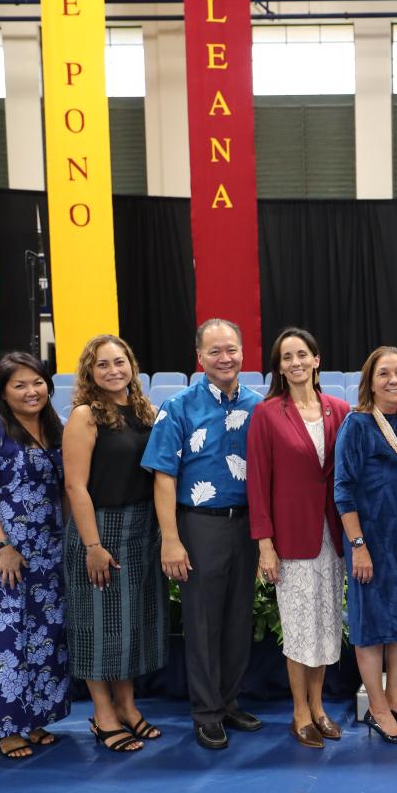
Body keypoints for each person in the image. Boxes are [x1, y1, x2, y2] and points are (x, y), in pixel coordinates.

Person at [141, 319, 264, 750]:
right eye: (215, 351)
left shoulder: (259, 406)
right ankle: (207, 712)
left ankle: (229, 701)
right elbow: (163, 477)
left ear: (243, 352)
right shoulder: (178, 407)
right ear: (199, 358)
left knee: (238, 618)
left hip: (247, 524)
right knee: (203, 621)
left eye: (231, 349)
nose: (224, 358)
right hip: (199, 523)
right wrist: (171, 538)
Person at [0, 352, 71, 759]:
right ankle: (5, 727)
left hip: (47, 549)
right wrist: (3, 548)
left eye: (37, 382)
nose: (31, 391)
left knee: (44, 634)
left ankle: (35, 717)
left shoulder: (55, 429)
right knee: (3, 638)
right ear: (3, 392)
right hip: (2, 552)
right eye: (19, 385)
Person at [62, 334, 168, 754]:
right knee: (97, 628)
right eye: (102, 364)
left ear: (131, 365)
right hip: (100, 530)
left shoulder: (145, 411)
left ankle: (127, 705)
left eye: (119, 362)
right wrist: (92, 545)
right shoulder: (85, 416)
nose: (113, 370)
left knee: (129, 627)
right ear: (90, 372)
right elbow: (75, 486)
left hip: (141, 529)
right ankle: (103, 713)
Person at [248, 327, 350, 749]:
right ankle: (299, 712)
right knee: (298, 628)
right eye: (287, 357)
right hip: (290, 539)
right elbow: (257, 484)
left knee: (325, 624)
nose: (295, 362)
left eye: (302, 354)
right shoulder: (268, 414)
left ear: (316, 359)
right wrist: (265, 544)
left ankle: (319, 707)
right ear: (279, 367)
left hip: (332, 535)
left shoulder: (339, 410)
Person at [334, 346, 397, 746]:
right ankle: (377, 708)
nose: (394, 380)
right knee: (371, 625)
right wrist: (358, 544)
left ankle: (396, 698)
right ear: (370, 383)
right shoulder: (357, 425)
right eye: (384, 374)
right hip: (370, 541)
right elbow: (343, 489)